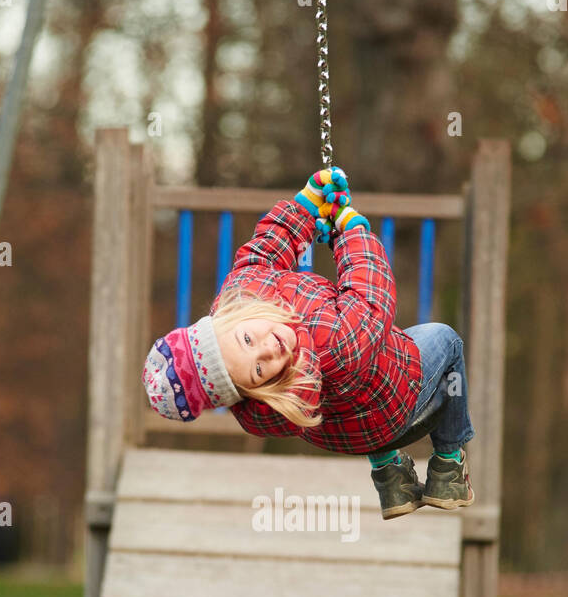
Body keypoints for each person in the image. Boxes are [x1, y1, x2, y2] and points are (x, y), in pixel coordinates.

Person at [143, 168, 474, 520]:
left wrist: (306, 202)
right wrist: (350, 230)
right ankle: (448, 467)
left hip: (349, 428)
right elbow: (370, 296)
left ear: (230, 315)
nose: (268, 350)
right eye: (259, 371)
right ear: (258, 391)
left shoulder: (245, 287)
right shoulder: (333, 345)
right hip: (394, 409)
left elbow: (267, 248)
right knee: (446, 340)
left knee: (366, 378)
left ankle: (392, 478)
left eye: (247, 339)